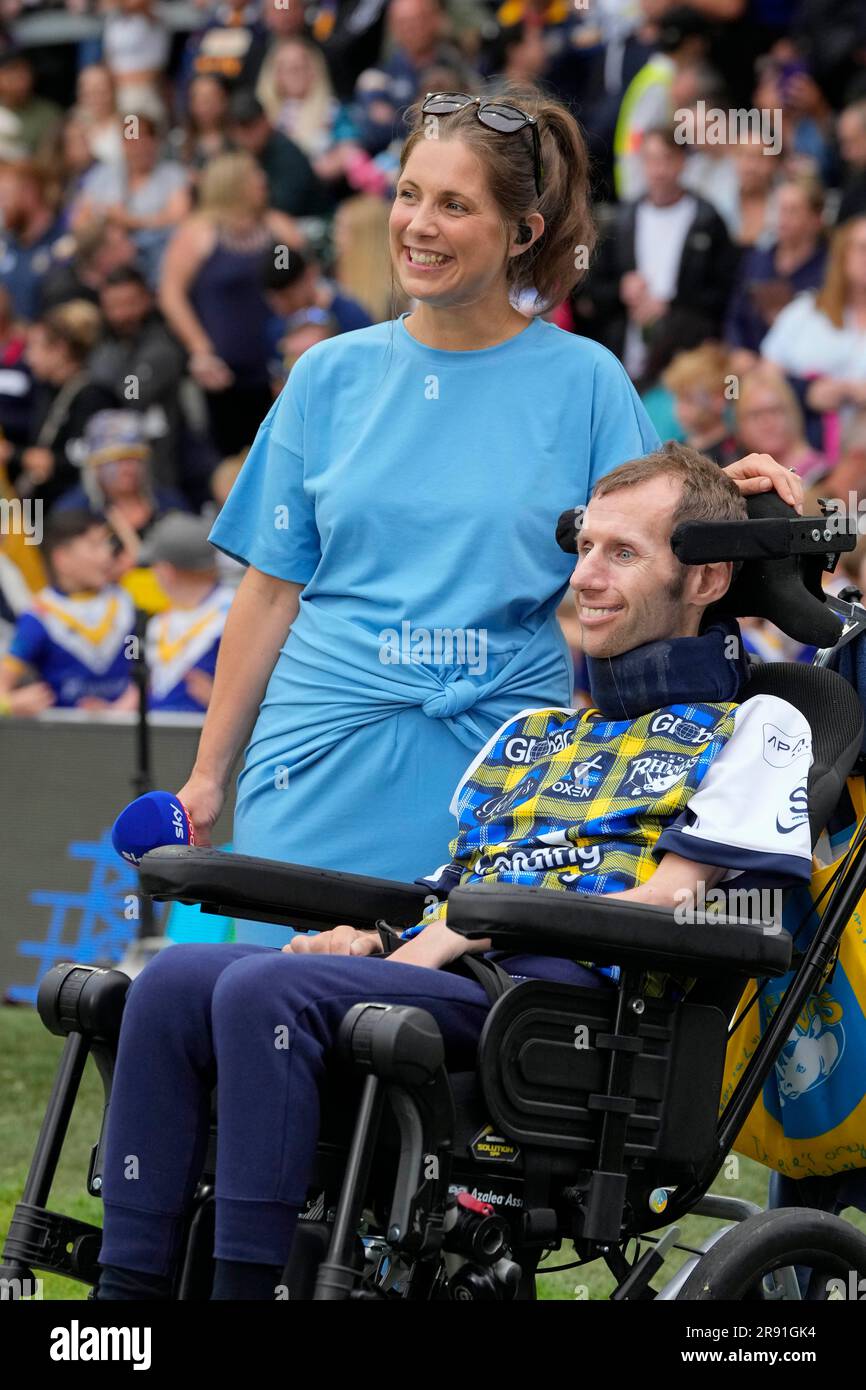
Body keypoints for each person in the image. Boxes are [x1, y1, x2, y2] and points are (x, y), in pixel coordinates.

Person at [91, 444, 815, 1301]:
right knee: (172, 980)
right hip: (465, 974)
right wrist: (376, 936)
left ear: (705, 579)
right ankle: (126, 1299)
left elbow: (671, 903)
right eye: (584, 546)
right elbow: (447, 892)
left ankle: (245, 1290)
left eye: (623, 553)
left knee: (261, 996)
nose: (586, 576)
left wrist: (476, 925)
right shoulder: (538, 734)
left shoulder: (759, 727)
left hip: (573, 1015)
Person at [171, 82, 803, 953]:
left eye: (455, 205)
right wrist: (209, 777)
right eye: (409, 194)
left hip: (501, 776)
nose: (419, 225)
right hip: (313, 756)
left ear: (523, 234)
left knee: (437, 1048)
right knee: (271, 1011)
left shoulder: (585, 382)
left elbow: (653, 534)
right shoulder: (326, 375)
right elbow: (269, 593)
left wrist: (733, 495)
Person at [158, 151, 303, 457]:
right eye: (255, 176)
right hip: (224, 376)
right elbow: (170, 293)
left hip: (280, 369)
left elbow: (306, 280)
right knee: (234, 461)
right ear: (233, 184)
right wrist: (199, 347)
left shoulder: (278, 227)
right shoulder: (198, 233)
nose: (264, 181)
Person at [0, 507, 134, 711]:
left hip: (128, 734)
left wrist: (120, 709)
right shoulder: (41, 615)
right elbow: (3, 684)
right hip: (66, 737)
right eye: (94, 546)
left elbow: (147, 671)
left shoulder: (127, 604)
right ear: (62, 559)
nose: (107, 555)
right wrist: (11, 704)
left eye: (108, 544)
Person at [139, 512, 233, 713]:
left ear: (166, 571)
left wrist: (219, 705)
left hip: (205, 738)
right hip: (160, 736)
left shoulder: (233, 615)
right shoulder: (158, 622)